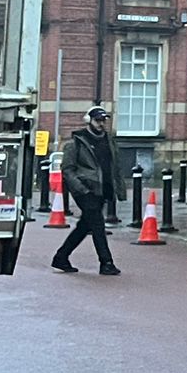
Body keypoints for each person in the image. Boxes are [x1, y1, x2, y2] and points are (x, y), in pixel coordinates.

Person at [51, 106, 122, 275]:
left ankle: (61, 257)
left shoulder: (109, 141)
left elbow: (114, 166)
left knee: (85, 225)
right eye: (97, 120)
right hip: (85, 190)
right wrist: (81, 188)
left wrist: (118, 188)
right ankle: (106, 262)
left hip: (102, 189)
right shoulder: (76, 142)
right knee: (98, 225)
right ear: (89, 121)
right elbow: (67, 169)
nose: (101, 124)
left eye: (103, 120)